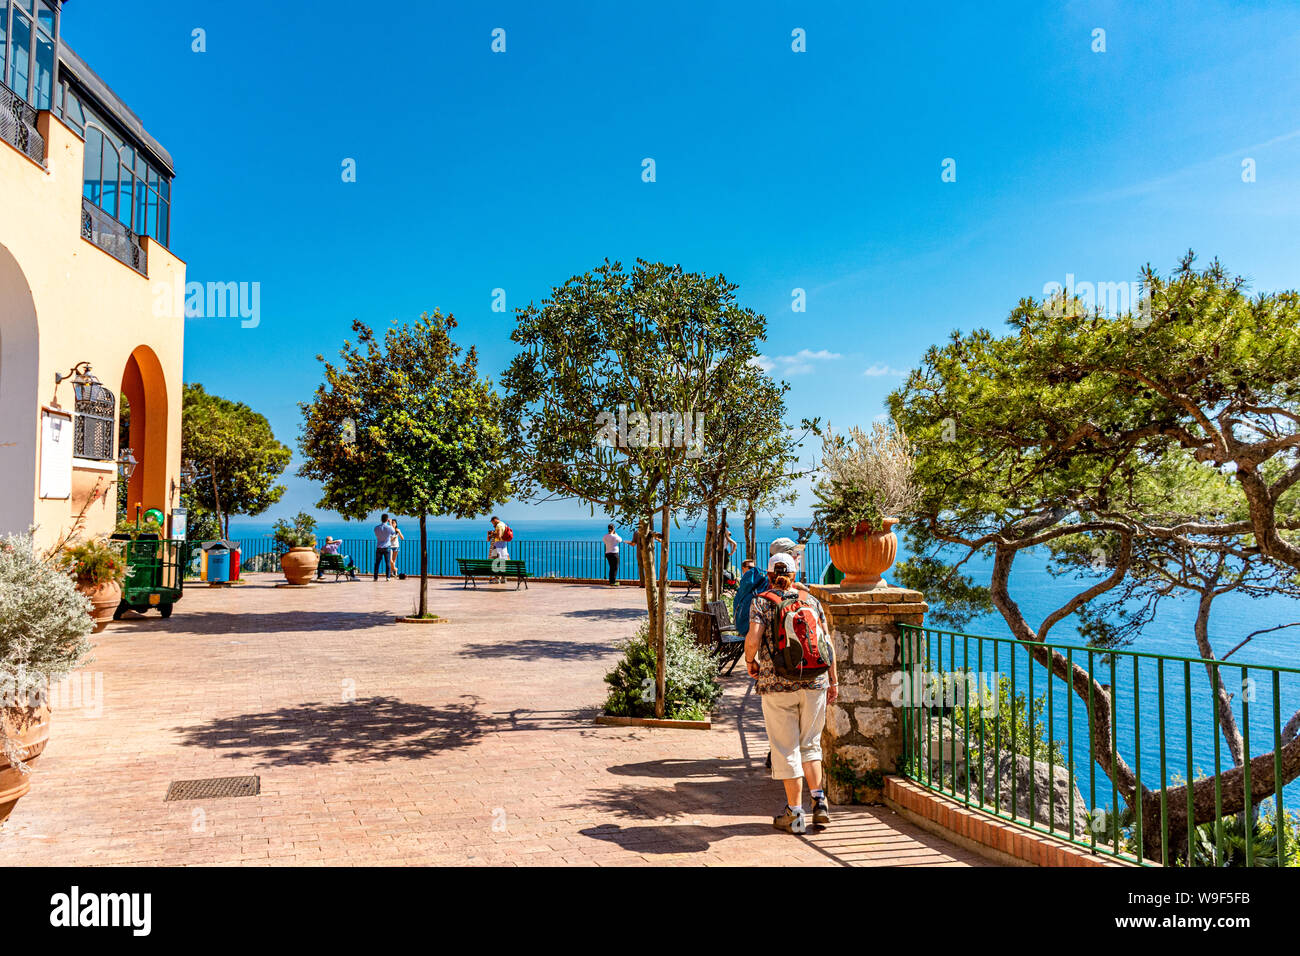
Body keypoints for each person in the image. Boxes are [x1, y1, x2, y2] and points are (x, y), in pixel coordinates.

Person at [745, 552, 838, 834]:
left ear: (770, 574)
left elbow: (753, 638)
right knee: (811, 744)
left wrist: (751, 663)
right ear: (795, 575)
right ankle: (819, 802)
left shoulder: (761, 601)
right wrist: (833, 680)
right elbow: (826, 642)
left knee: (786, 748)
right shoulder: (811, 601)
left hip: (777, 684)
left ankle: (795, 814)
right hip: (816, 682)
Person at [373, 514, 394, 580]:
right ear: (387, 520)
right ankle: (388, 577)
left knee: (377, 563)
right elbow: (393, 533)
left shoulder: (376, 528)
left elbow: (377, 535)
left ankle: (375, 577)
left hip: (379, 547)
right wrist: (390, 524)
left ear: (381, 519)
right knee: (387, 562)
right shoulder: (389, 527)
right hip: (387, 547)